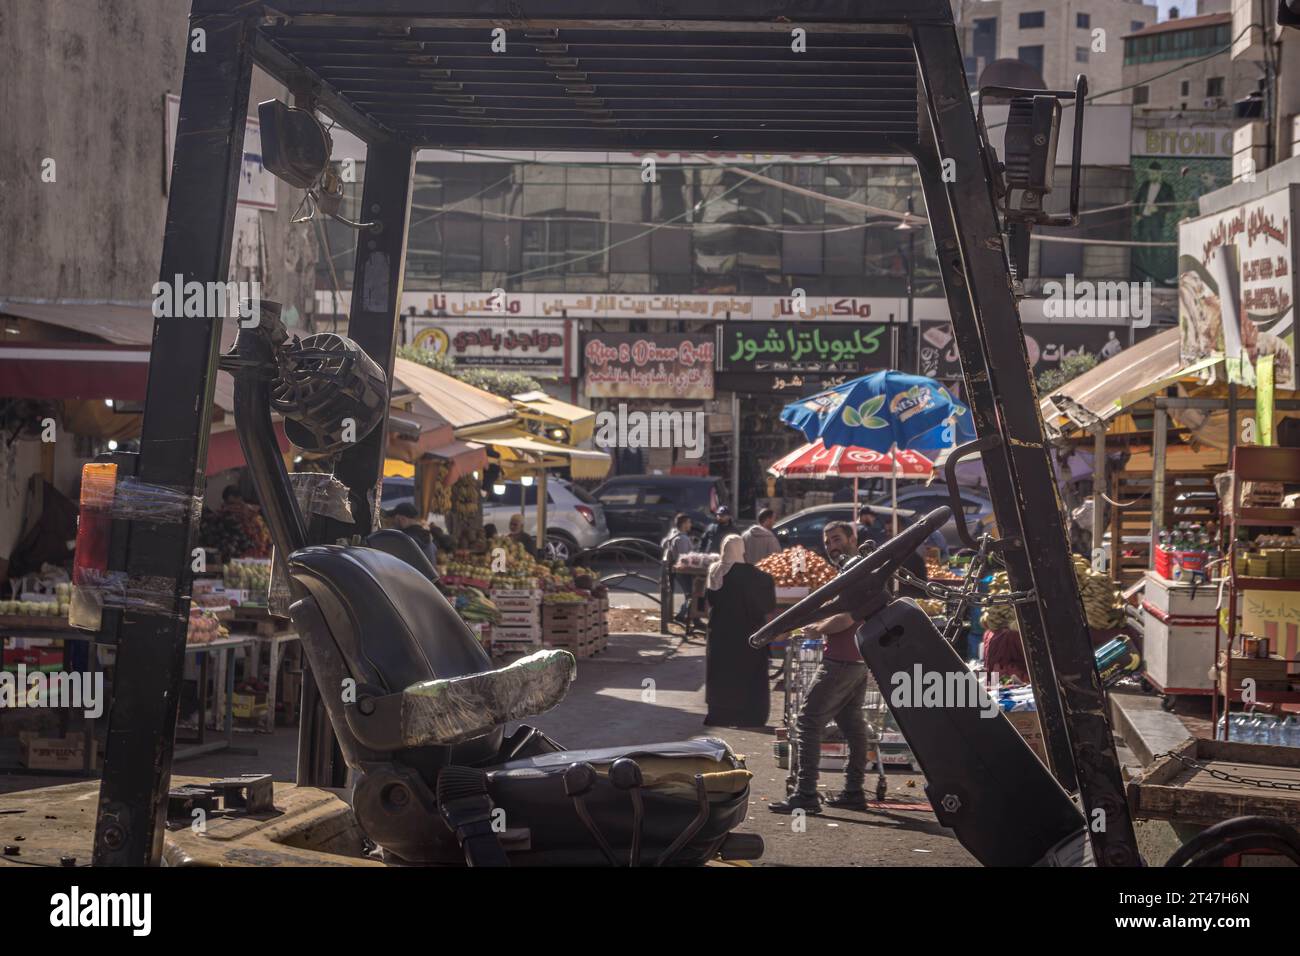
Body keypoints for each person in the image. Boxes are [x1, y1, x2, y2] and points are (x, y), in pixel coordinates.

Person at [770, 520, 873, 815]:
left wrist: (817, 629)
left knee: (808, 721)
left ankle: (806, 794)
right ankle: (854, 791)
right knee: (852, 727)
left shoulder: (855, 572)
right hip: (856, 660)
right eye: (827, 542)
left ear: (853, 538)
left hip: (841, 660)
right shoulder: (855, 570)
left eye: (837, 539)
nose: (831, 546)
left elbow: (847, 617)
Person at [704, 534, 776, 727]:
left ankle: (721, 714)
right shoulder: (758, 577)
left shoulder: (715, 571)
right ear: (742, 549)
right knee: (749, 674)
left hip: (720, 634)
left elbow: (709, 602)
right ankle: (751, 716)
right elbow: (767, 606)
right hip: (748, 635)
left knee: (722, 674)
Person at [661, 513, 695, 625]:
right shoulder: (682, 538)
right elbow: (684, 558)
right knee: (692, 594)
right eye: (689, 522)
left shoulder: (673, 534)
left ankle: (685, 615)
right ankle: (683, 615)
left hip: (675, 569)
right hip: (682, 571)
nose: (691, 524)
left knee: (690, 594)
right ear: (684, 524)